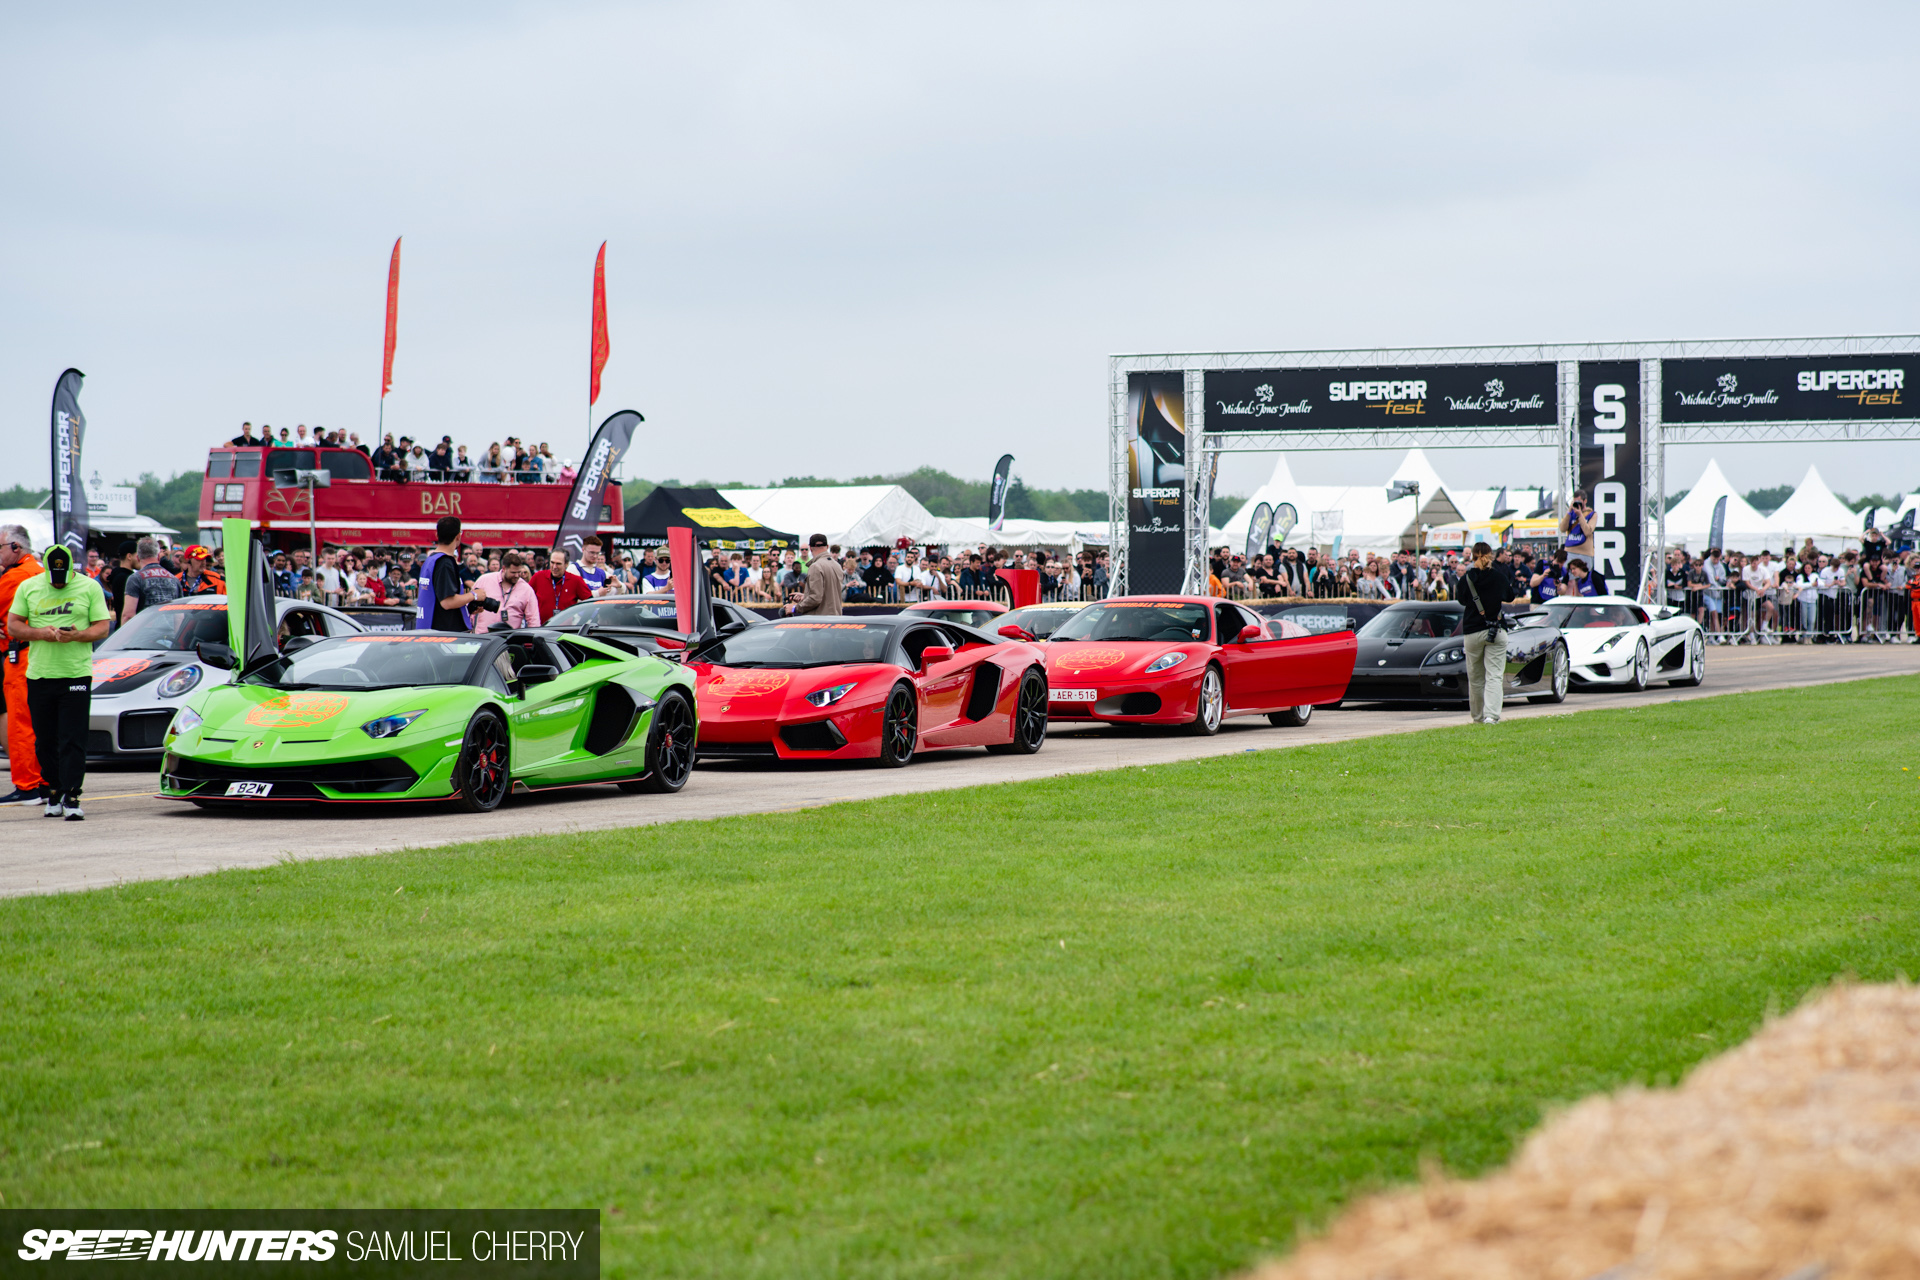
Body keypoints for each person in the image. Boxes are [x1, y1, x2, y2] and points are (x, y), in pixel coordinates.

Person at [7, 545, 111, 819]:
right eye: (54, 577)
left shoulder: (89, 587)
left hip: (76, 673)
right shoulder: (29, 586)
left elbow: (102, 626)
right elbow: (13, 625)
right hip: (40, 674)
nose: (58, 582)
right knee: (44, 741)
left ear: (71, 569)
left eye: (63, 577)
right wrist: (40, 633)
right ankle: (54, 790)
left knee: (73, 739)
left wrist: (78, 635)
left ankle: (73, 796)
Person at [0, 526, 45, 806]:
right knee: (40, 722)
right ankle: (42, 781)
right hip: (41, 654)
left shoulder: (17, 575)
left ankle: (28, 785)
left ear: (16, 547)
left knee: (20, 722)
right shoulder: (40, 571)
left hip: (21, 655)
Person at [1455, 541, 1515, 726]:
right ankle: (1491, 716)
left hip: (1473, 630)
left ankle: (1478, 717)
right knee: (1495, 676)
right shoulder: (1499, 577)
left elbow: (1461, 601)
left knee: (1475, 678)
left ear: (1472, 557)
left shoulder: (1466, 578)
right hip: (1496, 629)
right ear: (1491, 556)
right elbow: (1510, 597)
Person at [416, 516, 493, 633]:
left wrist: (466, 609)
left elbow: (438, 602)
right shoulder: (444, 562)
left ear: (437, 535)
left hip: (430, 628)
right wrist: (474, 595)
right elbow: (447, 602)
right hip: (445, 636)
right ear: (458, 536)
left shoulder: (431, 560)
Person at [471, 552, 540, 632]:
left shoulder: (526, 589)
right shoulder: (484, 580)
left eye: (519, 572)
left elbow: (533, 620)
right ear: (504, 568)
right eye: (513, 572)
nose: (517, 576)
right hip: (484, 638)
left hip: (510, 641)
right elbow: (469, 607)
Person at [121, 536, 182, 622]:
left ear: (138, 557)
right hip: (169, 633)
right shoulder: (174, 579)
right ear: (158, 556)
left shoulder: (136, 579)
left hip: (144, 633)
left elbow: (128, 615)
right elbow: (179, 615)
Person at [785, 534, 845, 616]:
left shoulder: (816, 566)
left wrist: (794, 608)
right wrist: (806, 596)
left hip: (820, 622)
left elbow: (815, 598)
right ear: (827, 546)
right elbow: (828, 594)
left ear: (810, 548)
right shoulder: (837, 565)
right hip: (836, 619)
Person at [529, 549, 591, 623]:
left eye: (558, 564)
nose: (554, 567)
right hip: (542, 629)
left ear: (566, 564)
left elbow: (590, 604)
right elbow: (525, 599)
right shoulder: (538, 577)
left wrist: (580, 622)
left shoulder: (576, 580)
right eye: (552, 562)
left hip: (565, 630)